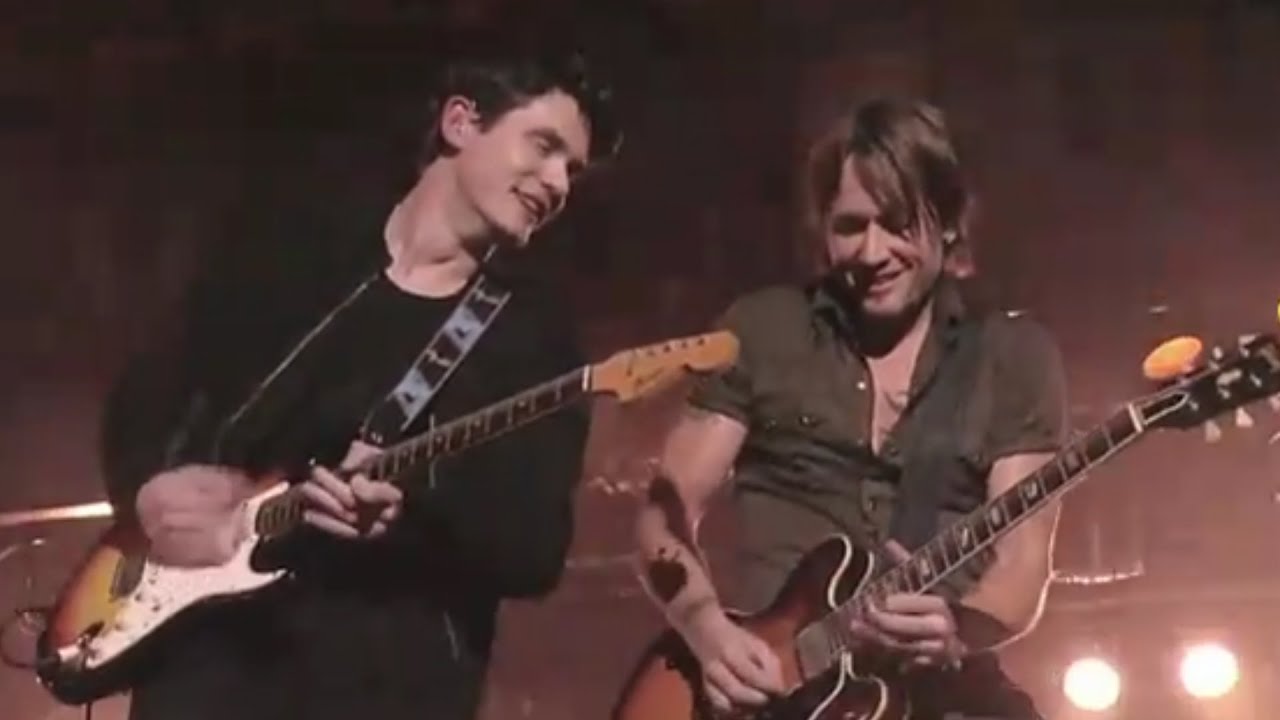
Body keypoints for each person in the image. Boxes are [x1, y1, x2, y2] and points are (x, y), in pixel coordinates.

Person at [99, 43, 621, 720]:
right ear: (461, 123)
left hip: (385, 686)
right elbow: (150, 390)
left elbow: (536, 550)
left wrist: (411, 513)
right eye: (545, 147)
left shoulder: (537, 341)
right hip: (206, 667)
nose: (557, 184)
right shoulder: (290, 251)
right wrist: (148, 488)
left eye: (572, 170)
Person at [634, 98, 1067, 719]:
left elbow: (1023, 564)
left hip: (935, 690)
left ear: (948, 222)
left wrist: (958, 630)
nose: (871, 251)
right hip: (769, 695)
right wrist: (707, 631)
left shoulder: (1012, 356)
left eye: (897, 224)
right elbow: (664, 512)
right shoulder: (763, 329)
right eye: (849, 226)